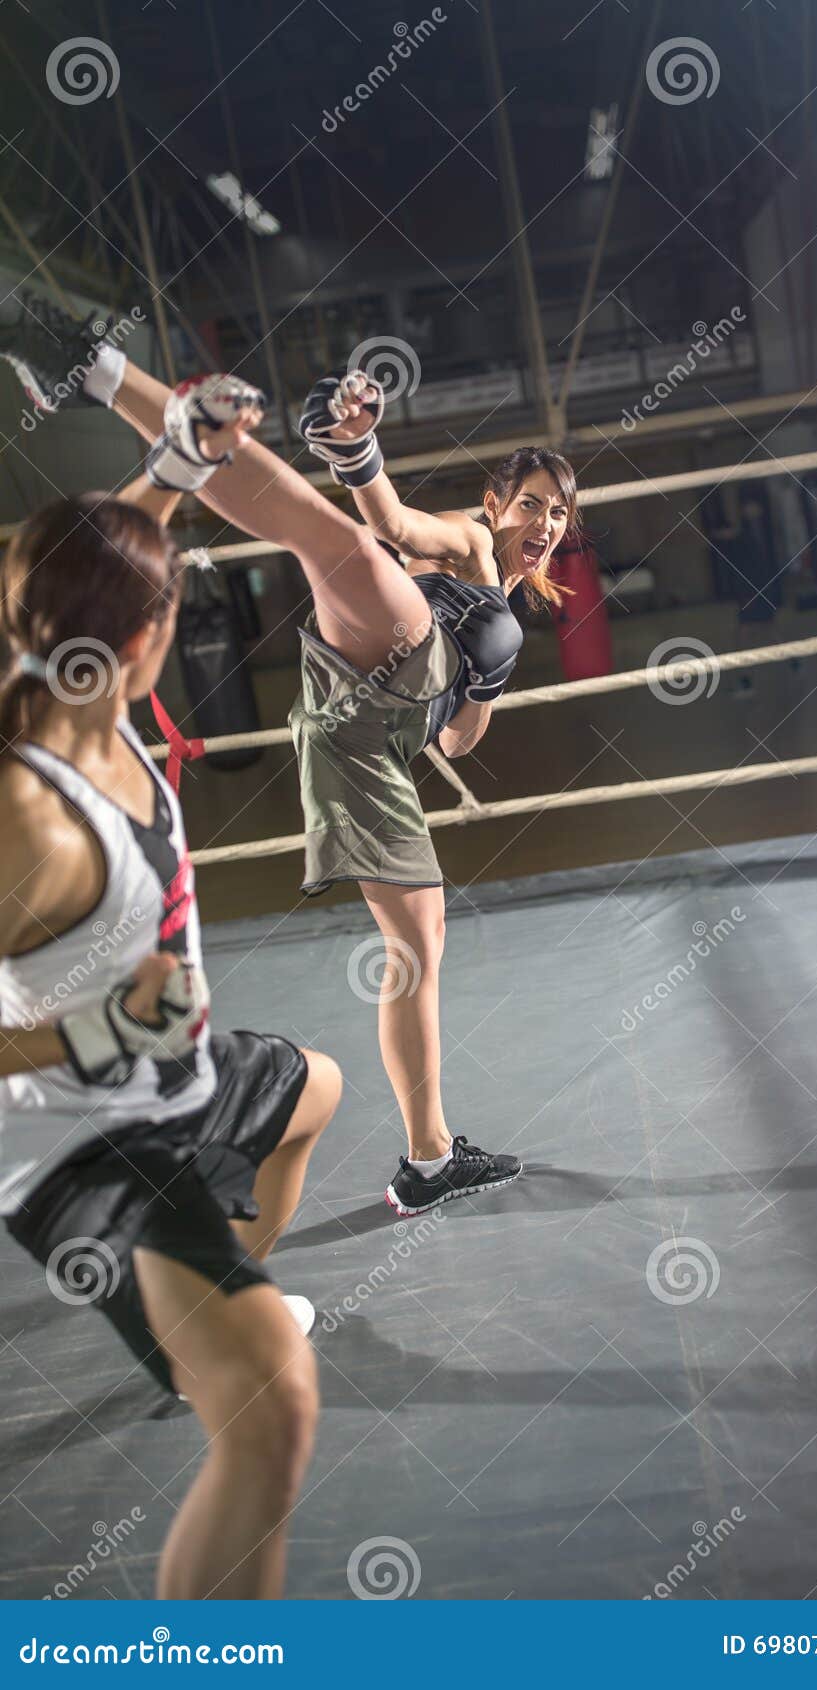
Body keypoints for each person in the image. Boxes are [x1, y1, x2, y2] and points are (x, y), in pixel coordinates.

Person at [0, 301, 577, 1216]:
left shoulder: (510, 613)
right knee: (334, 535)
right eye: (531, 505)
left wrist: (484, 687)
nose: (544, 524)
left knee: (418, 945)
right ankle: (99, 371)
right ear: (498, 506)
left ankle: (427, 1161)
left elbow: (459, 742)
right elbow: (389, 522)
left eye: (559, 513)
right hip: (385, 663)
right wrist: (355, 449)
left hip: (377, 738)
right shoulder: (467, 542)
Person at [0, 420, 343, 1599]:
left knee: (317, 1090)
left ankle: (191, 1321)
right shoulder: (28, 818)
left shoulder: (86, 689)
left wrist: (181, 463)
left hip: (168, 1079)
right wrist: (99, 1031)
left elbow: (82, 566)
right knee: (275, 1404)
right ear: (151, 646)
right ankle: (209, 1342)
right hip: (78, 1141)